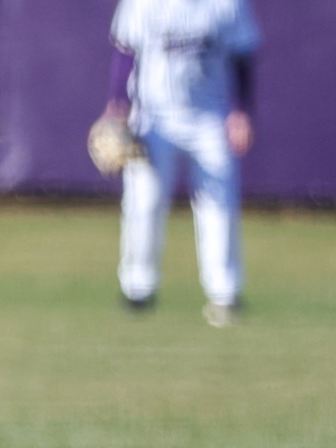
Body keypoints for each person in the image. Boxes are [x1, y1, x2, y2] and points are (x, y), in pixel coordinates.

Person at [103, 0, 260, 327]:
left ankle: (224, 293)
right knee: (143, 203)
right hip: (153, 118)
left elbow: (243, 53)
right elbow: (125, 50)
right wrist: (117, 104)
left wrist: (241, 110)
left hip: (210, 118)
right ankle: (138, 288)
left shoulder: (227, 3)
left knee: (220, 205)